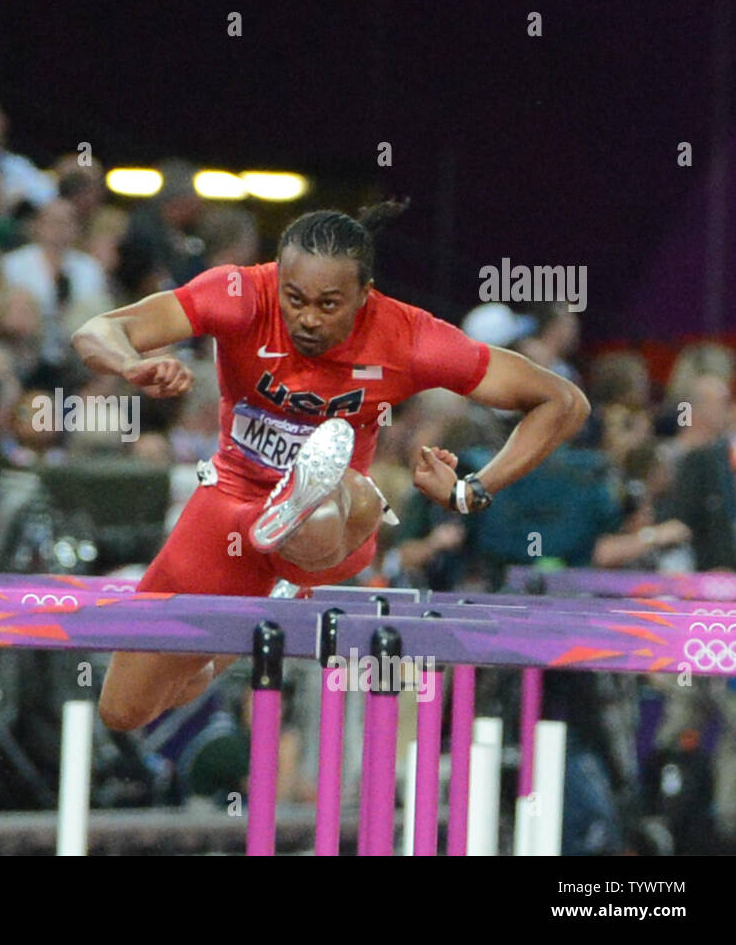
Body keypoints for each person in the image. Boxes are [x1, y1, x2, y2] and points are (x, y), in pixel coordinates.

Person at [72, 203, 590, 730]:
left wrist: (470, 491)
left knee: (341, 501)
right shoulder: (240, 294)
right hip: (229, 507)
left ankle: (306, 497)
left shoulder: (410, 338)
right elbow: (98, 330)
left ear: (365, 295)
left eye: (328, 304)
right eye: (294, 300)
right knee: (126, 710)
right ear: (278, 279)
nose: (308, 318)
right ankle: (250, 613)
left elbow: (562, 402)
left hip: (339, 522)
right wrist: (130, 364)